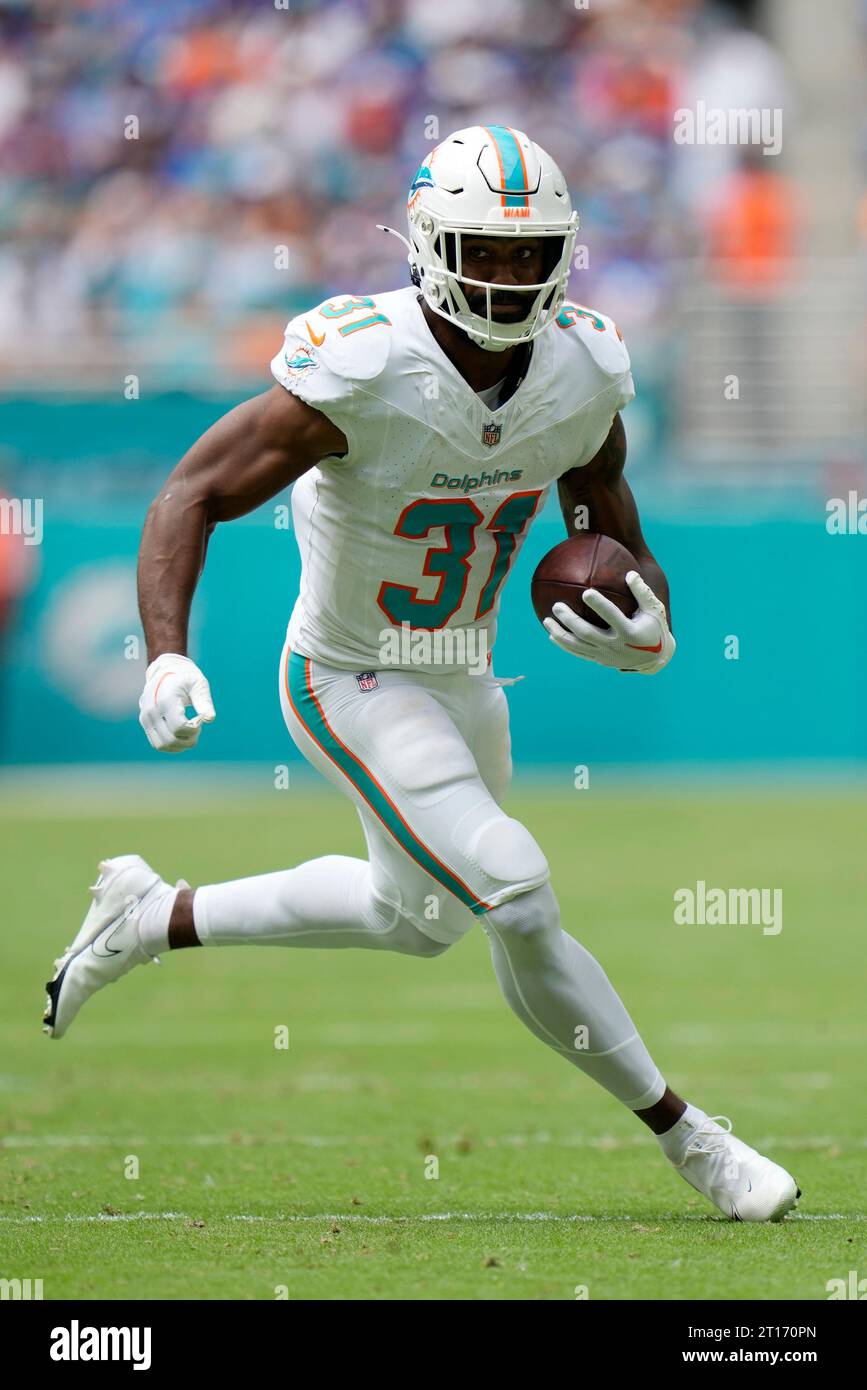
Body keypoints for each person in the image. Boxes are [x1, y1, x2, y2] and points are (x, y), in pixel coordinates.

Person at [43, 126, 799, 1222]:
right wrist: (166, 652)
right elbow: (191, 491)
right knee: (519, 892)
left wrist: (652, 622)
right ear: (432, 246)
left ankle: (153, 914)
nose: (505, 273)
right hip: (348, 673)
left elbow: (606, 520)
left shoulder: (583, 369)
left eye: (526, 251)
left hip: (464, 674)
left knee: (421, 917)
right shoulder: (360, 364)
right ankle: (694, 1139)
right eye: (483, 250)